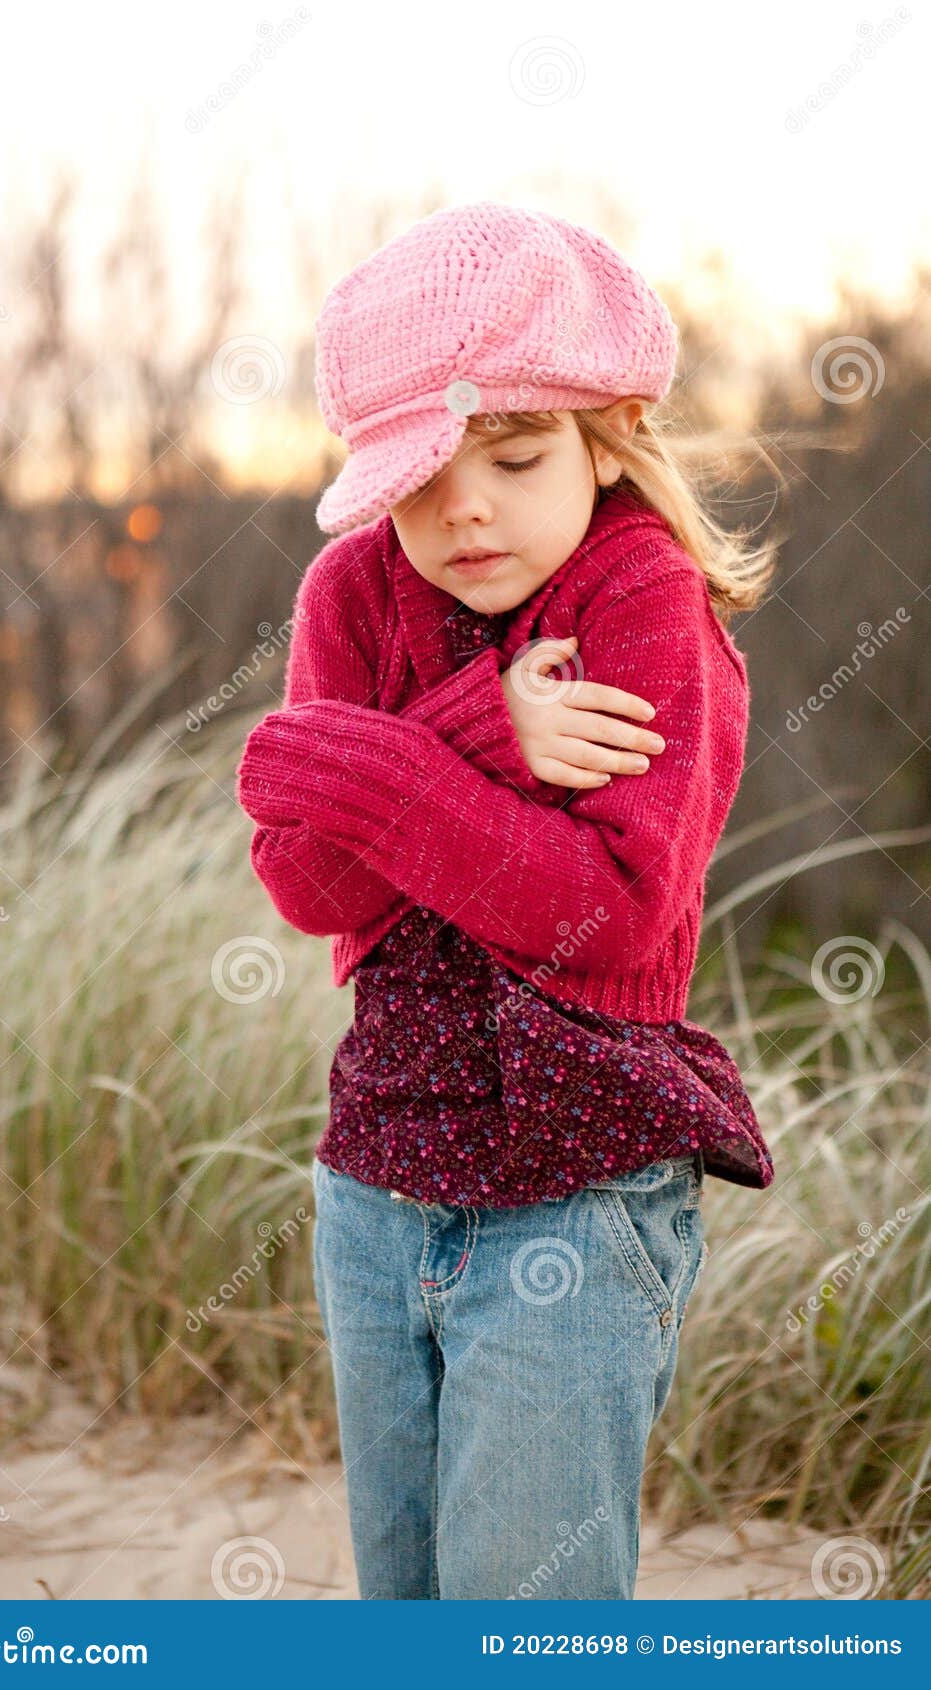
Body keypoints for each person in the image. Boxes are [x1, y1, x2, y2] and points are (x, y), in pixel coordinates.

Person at [235, 201, 779, 1600]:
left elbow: (598, 909)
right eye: (416, 478)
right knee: (404, 1587)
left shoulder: (646, 603)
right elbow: (302, 878)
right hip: (373, 1173)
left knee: (523, 1606)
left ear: (607, 436)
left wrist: (363, 769)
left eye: (515, 455)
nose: (463, 507)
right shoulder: (352, 591)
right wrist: (485, 733)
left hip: (577, 1184)